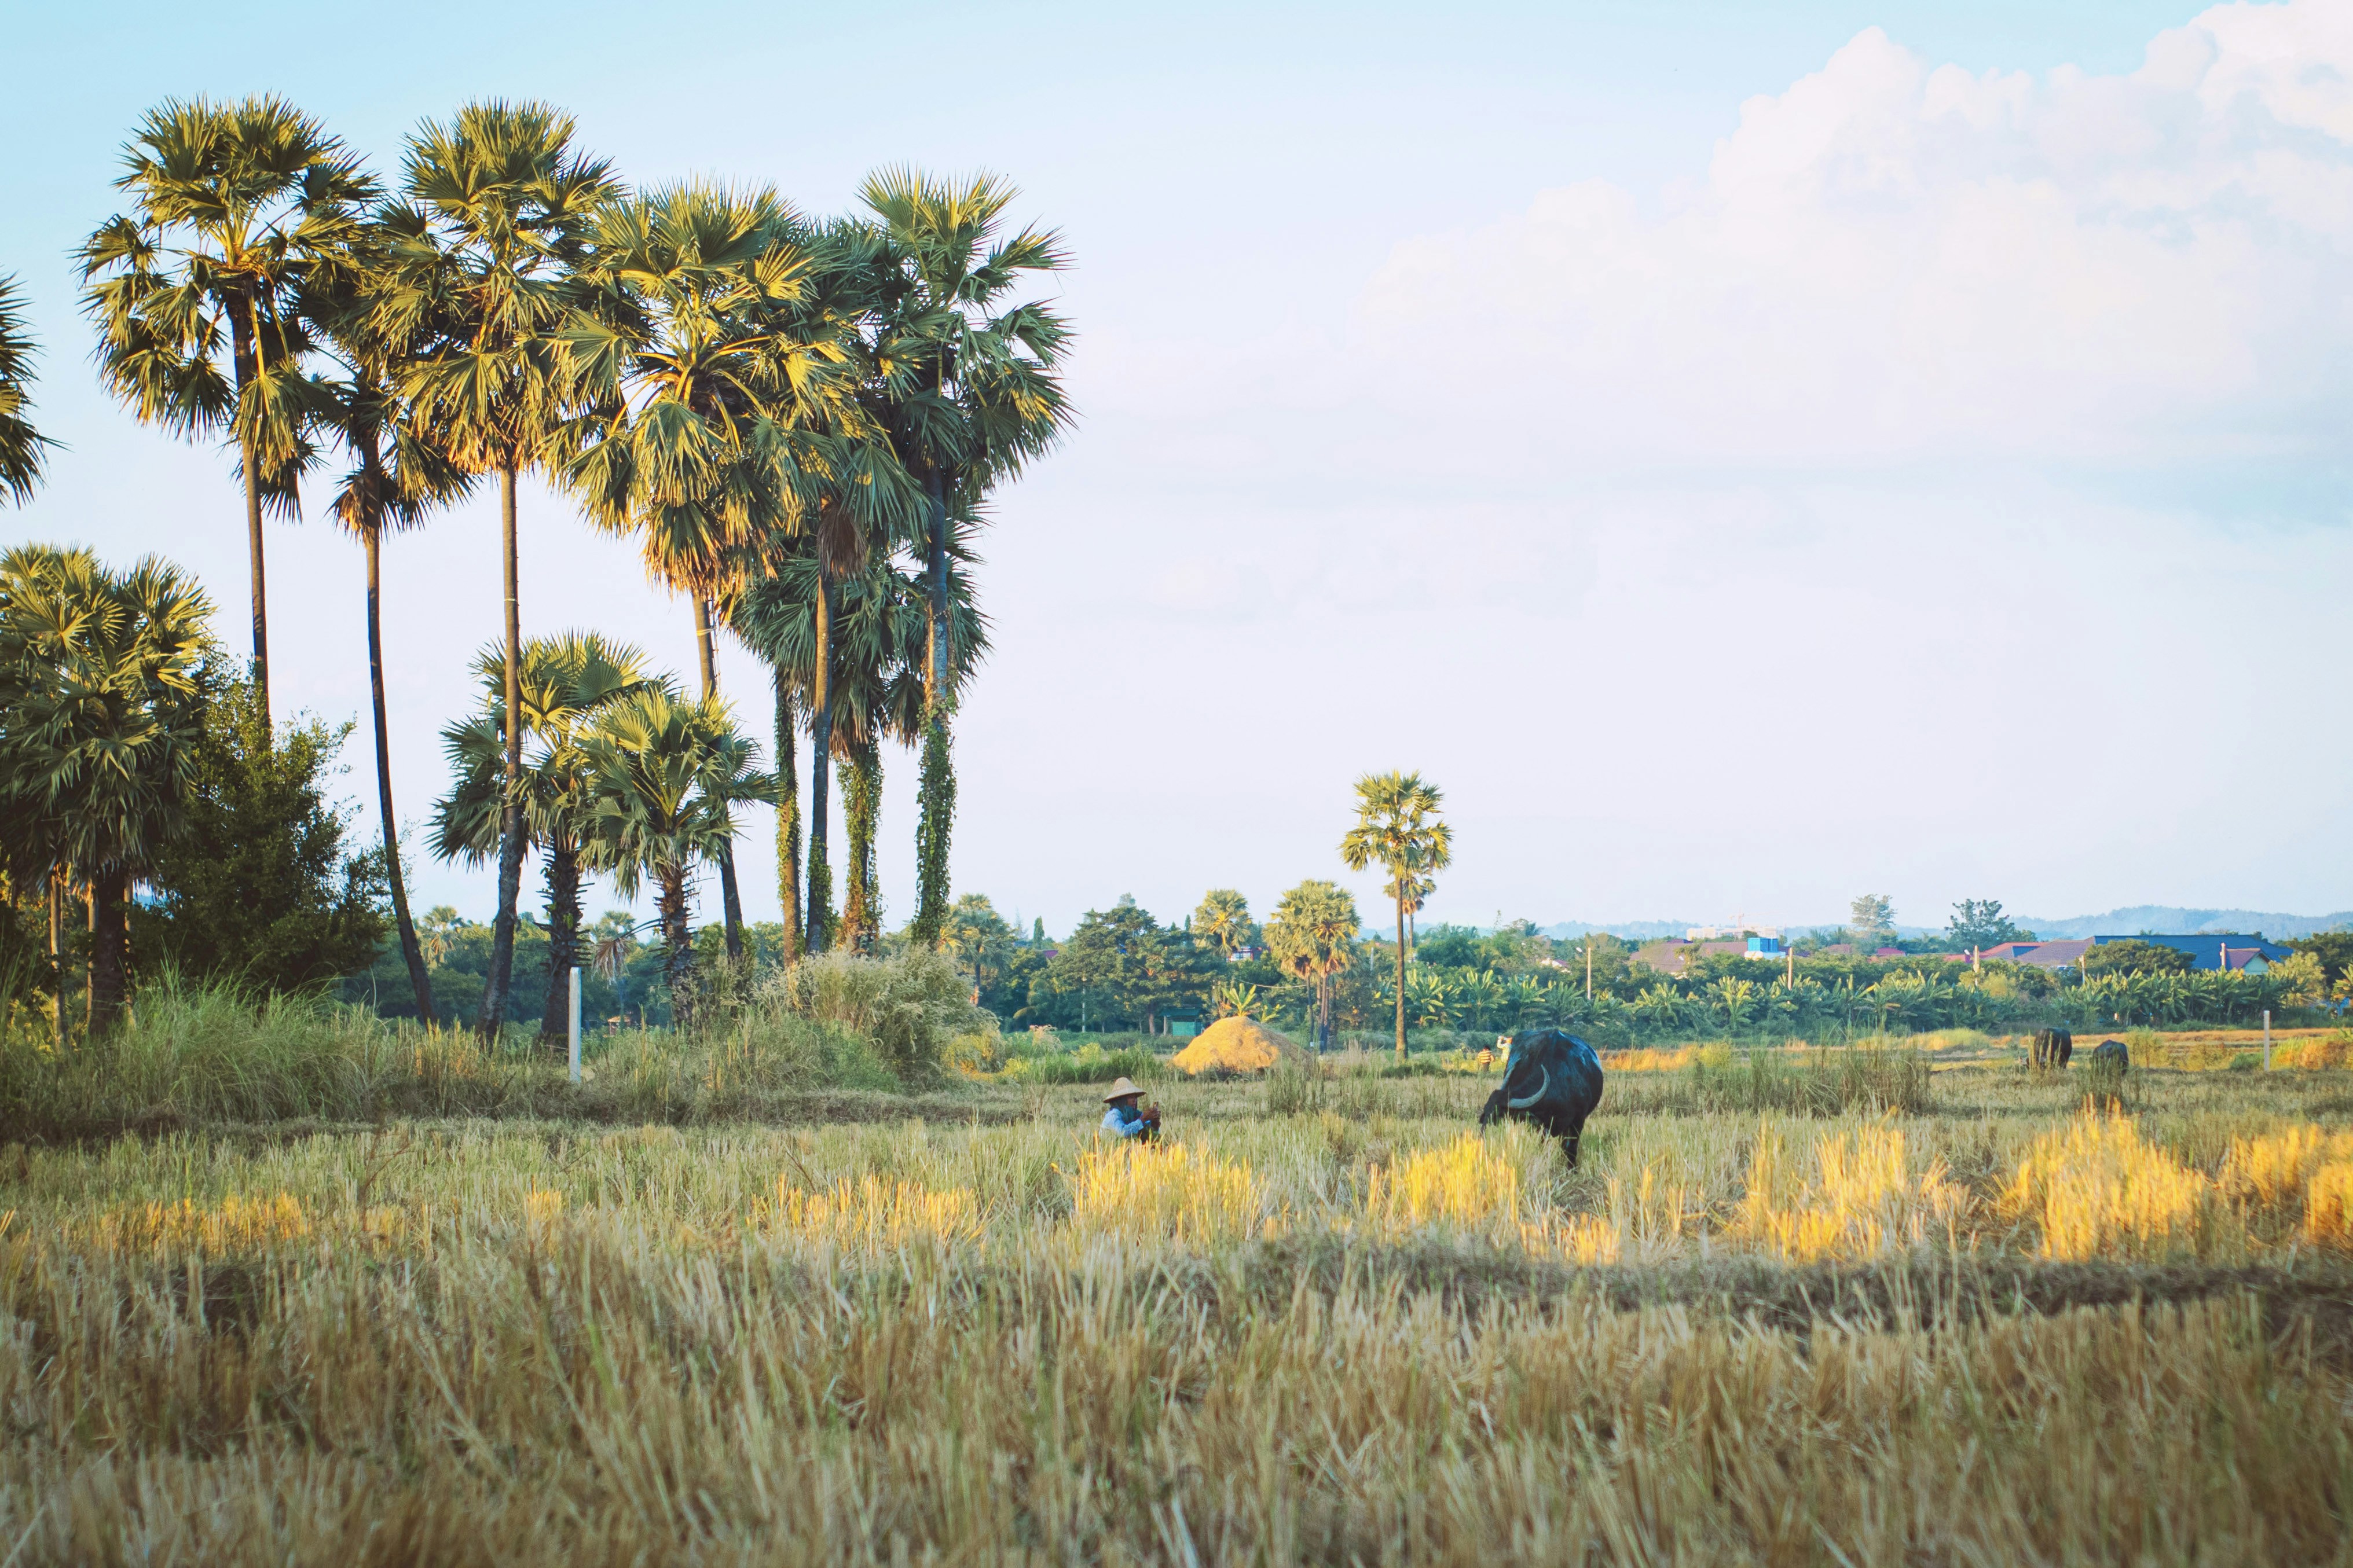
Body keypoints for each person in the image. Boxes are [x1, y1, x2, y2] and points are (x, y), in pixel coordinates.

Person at [1101, 1077, 1160, 1141]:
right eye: (1131, 1097)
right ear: (1122, 1100)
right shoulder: (1113, 1115)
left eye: (1135, 1097)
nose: (1135, 1100)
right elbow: (1122, 1133)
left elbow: (1150, 1134)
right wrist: (1143, 1119)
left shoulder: (1135, 1114)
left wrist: (1155, 1124)